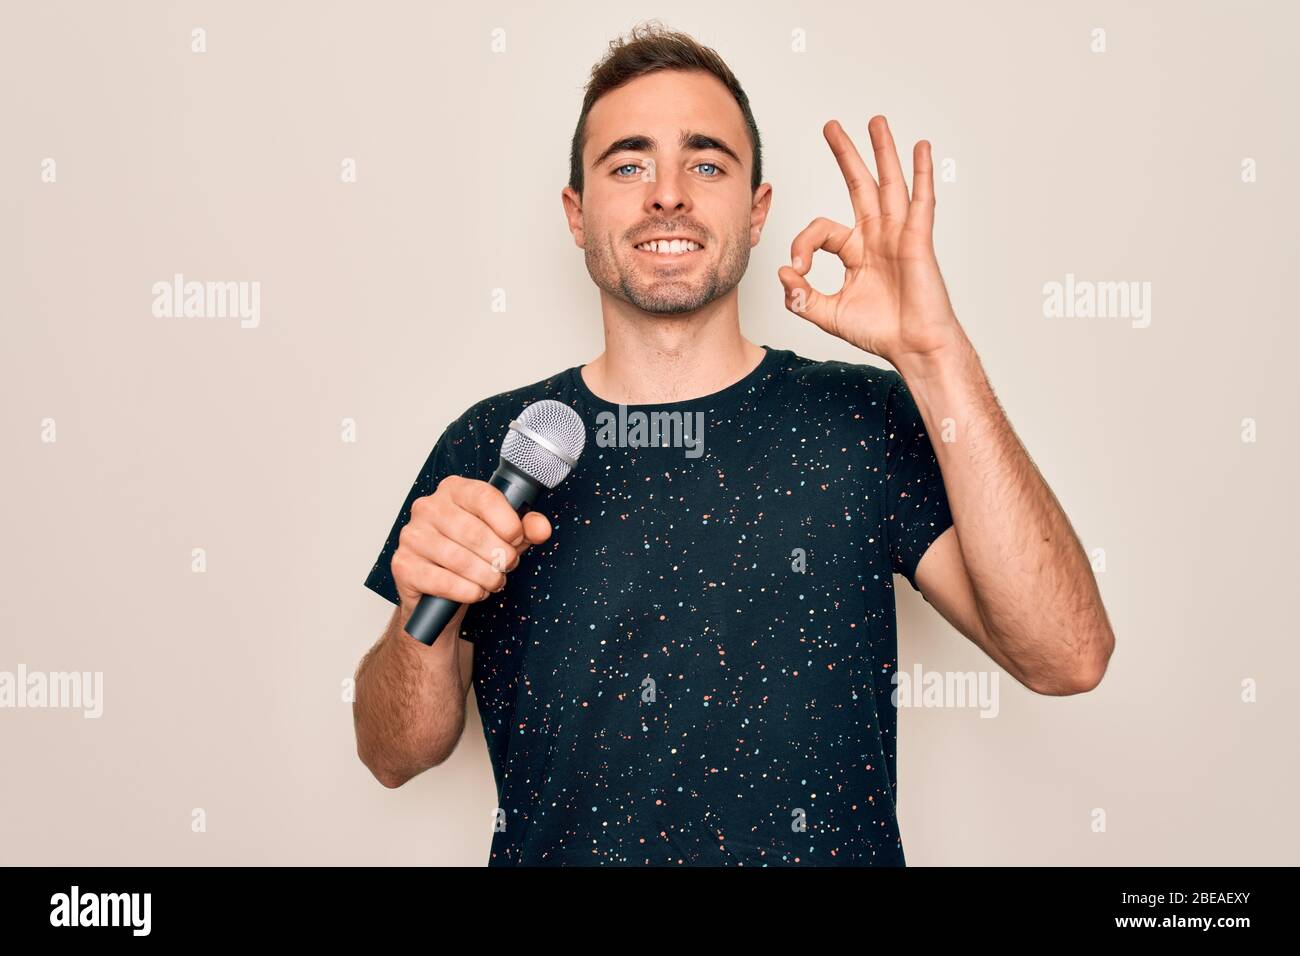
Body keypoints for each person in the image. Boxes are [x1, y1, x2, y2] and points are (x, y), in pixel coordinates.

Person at [352, 23, 1115, 866]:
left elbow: (1066, 657)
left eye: (707, 164)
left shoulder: (863, 418)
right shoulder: (497, 444)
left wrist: (935, 356)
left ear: (757, 213)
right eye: (629, 164)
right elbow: (394, 753)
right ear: (576, 212)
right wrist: (429, 613)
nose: (667, 194)